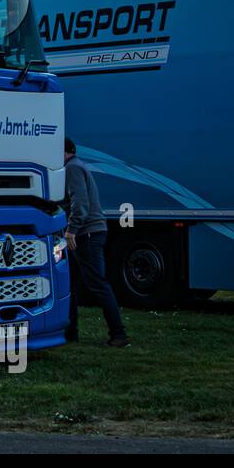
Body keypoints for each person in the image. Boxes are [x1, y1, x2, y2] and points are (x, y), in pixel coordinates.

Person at [64, 137, 130, 347]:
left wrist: (71, 230)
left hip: (86, 234)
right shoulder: (78, 165)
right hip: (90, 232)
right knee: (69, 284)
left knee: (97, 284)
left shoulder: (72, 168)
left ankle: (119, 334)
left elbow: (80, 202)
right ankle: (70, 332)